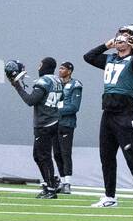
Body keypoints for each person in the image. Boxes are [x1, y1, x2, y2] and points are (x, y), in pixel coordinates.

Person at [83, 25, 133, 210]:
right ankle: (109, 196)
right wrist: (106, 45)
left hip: (126, 113)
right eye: (120, 34)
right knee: (106, 157)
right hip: (108, 114)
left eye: (126, 36)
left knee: (132, 156)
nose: (121, 38)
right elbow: (88, 57)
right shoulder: (111, 58)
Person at [8, 57, 64, 199]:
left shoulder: (43, 81)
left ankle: (51, 187)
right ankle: (50, 181)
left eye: (40, 65)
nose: (38, 67)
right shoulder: (57, 80)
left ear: (45, 66)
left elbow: (30, 100)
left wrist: (17, 86)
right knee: (39, 156)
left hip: (44, 123)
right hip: (53, 120)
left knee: (43, 156)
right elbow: (61, 98)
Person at [54, 61, 81, 194]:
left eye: (63, 68)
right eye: (59, 68)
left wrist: (56, 111)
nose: (60, 70)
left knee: (65, 153)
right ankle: (62, 180)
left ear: (69, 71)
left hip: (67, 124)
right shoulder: (56, 83)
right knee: (57, 154)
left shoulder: (75, 85)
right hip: (54, 123)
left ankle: (68, 183)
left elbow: (74, 107)